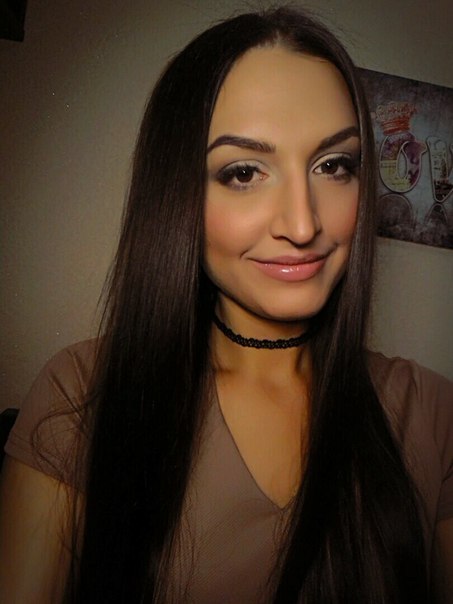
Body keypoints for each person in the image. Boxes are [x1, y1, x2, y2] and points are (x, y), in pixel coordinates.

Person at [0, 6, 452, 604]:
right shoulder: (81, 395)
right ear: (178, 193)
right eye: (243, 173)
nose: (302, 224)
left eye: (333, 165)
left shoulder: (431, 414)